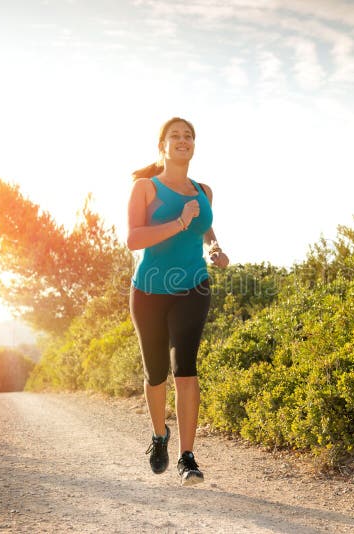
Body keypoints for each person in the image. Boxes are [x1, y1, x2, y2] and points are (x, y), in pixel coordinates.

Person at [126, 117, 229, 486]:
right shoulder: (145, 188)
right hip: (149, 291)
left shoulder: (203, 191)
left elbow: (205, 229)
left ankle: (187, 457)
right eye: (175, 136)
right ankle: (159, 436)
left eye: (188, 136)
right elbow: (134, 239)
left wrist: (214, 248)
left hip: (193, 286)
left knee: (185, 368)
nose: (182, 140)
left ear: (193, 146)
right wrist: (181, 222)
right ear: (162, 146)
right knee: (155, 373)